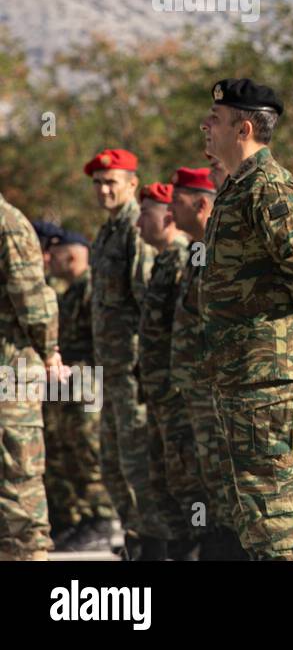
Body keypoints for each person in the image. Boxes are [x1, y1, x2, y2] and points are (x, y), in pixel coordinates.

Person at [200, 79, 293, 560]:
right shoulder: (236, 187)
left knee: (271, 492)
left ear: (243, 127)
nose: (206, 125)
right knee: (250, 495)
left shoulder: (268, 187)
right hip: (238, 367)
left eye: (216, 119)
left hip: (264, 367)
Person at [168, 163, 245, 560]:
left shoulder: (215, 250)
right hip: (197, 383)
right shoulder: (195, 253)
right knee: (208, 468)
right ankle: (217, 538)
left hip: (219, 380)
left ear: (201, 205)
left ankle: (232, 543)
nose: (169, 212)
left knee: (226, 467)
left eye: (175, 202)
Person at [85, 147, 160, 559]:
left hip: (131, 369)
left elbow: (148, 301)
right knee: (113, 462)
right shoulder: (107, 231)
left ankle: (150, 538)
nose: (103, 190)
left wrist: (144, 364)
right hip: (108, 370)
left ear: (132, 184)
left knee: (138, 461)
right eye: (97, 183)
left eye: (110, 182)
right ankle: (134, 534)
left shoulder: (136, 230)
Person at [136, 182, 203, 559]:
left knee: (185, 471)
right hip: (159, 386)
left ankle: (192, 543)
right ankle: (176, 543)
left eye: (146, 213)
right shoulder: (165, 259)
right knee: (165, 471)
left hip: (177, 388)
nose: (139, 223)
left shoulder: (182, 256)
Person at [43, 228, 116, 552]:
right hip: (72, 383)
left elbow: (100, 339)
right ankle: (83, 519)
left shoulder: (90, 287)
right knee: (71, 451)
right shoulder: (72, 291)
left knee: (88, 451)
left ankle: (101, 519)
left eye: (54, 253)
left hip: (88, 381)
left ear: (71, 255)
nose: (49, 260)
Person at [0, 191, 60, 561]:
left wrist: (48, 348)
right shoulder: (9, 224)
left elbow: (32, 300)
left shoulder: (8, 225)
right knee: (15, 488)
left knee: (17, 488)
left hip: (10, 374)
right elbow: (33, 301)